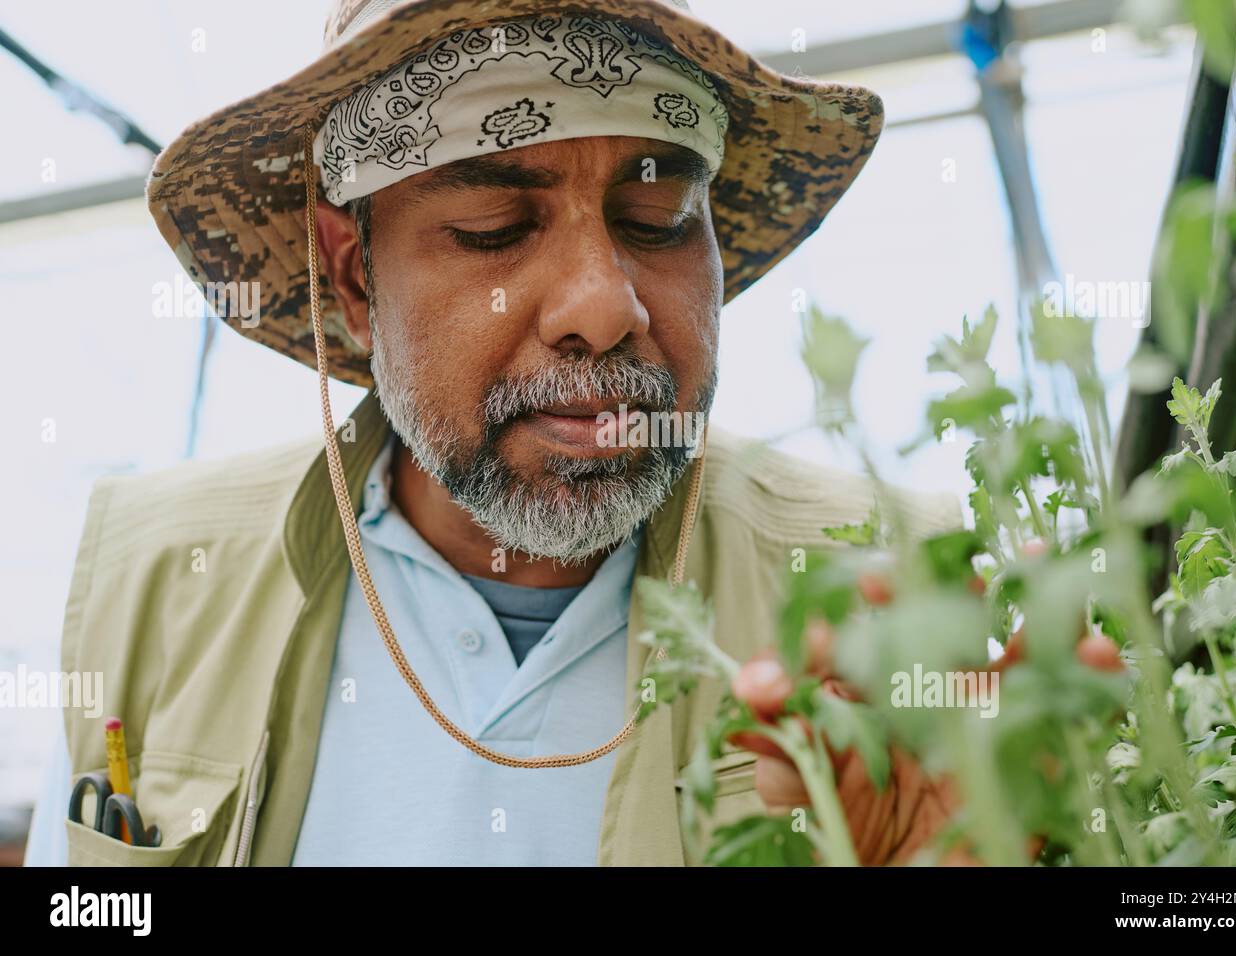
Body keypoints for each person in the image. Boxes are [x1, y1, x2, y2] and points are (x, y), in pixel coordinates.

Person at [26, 0, 960, 866]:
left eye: (658, 219)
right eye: (494, 226)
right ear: (355, 280)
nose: (602, 306)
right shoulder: (149, 579)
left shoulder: (912, 591)